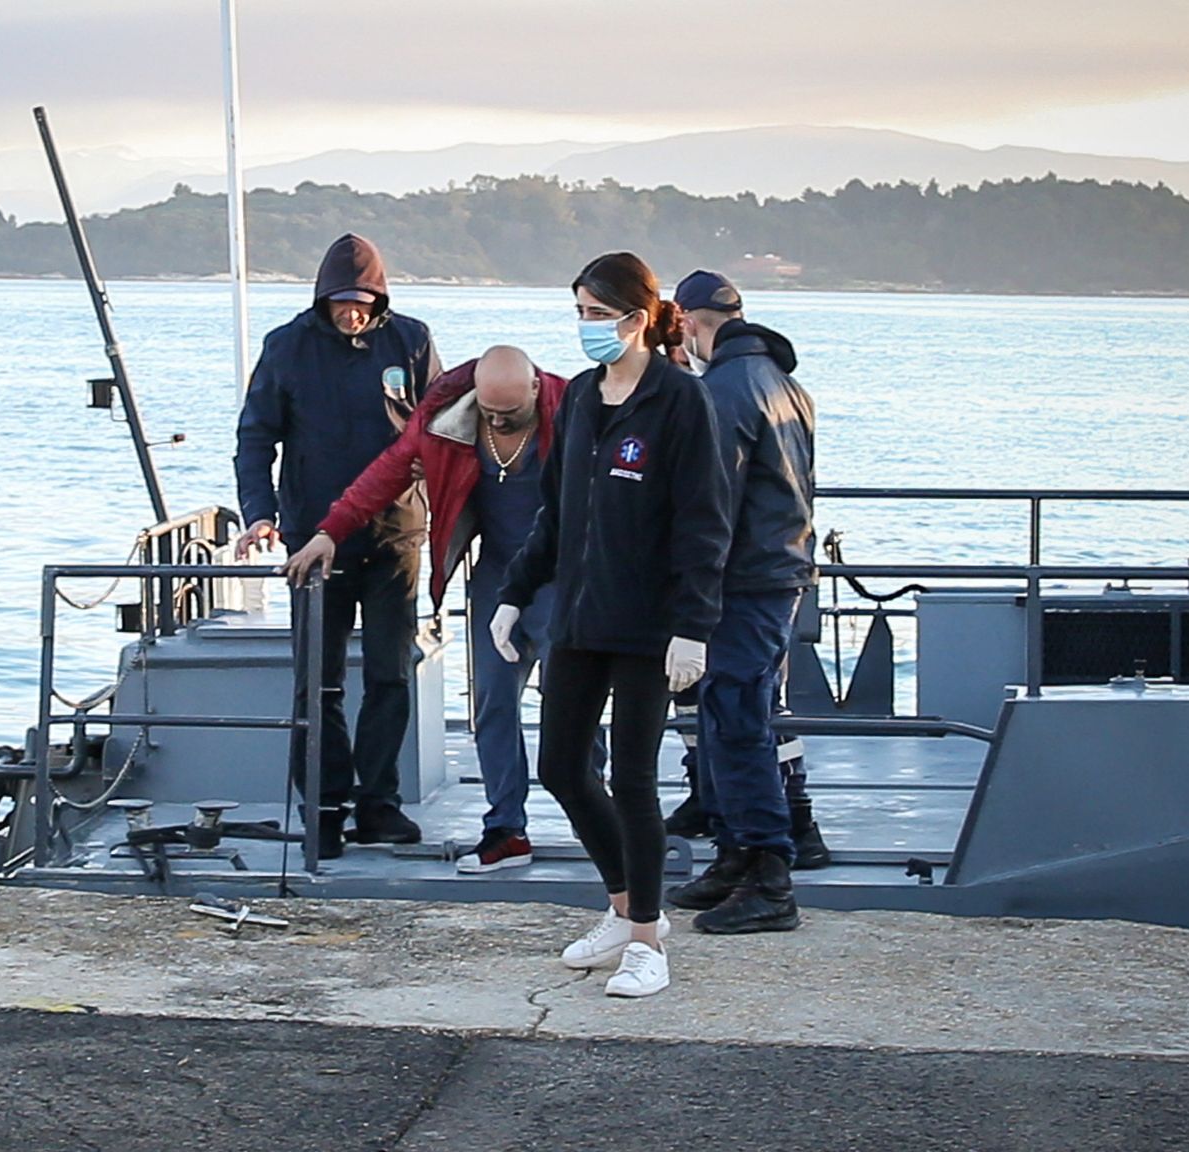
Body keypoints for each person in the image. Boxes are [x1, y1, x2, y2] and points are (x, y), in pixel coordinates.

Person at [490, 252, 731, 998]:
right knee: (561, 766)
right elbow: (557, 512)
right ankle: (626, 910)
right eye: (580, 314)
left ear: (637, 317)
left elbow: (704, 522)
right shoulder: (586, 400)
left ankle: (647, 944)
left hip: (649, 626)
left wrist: (692, 626)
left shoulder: (681, 402)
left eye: (598, 314)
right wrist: (515, 591)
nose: (587, 328)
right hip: (581, 617)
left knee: (632, 778)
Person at [285, 345, 584, 873]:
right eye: (489, 411)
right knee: (492, 705)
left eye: (509, 413)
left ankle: (595, 819)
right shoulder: (448, 421)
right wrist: (330, 531)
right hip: (496, 579)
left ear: (537, 388)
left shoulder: (575, 410)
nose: (497, 420)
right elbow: (386, 473)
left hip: (566, 580)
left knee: (573, 707)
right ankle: (506, 830)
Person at [234, 233, 442, 857]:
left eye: (363, 301)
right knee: (317, 684)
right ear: (322, 299)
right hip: (312, 539)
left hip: (396, 536)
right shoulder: (287, 346)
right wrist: (260, 513)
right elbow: (255, 436)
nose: (352, 312)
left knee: (390, 676)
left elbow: (438, 430)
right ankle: (324, 809)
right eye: (341, 302)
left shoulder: (411, 339)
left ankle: (379, 805)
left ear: (380, 298)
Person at [664, 270, 822, 932]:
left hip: (742, 581)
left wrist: (687, 596)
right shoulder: (786, 387)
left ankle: (768, 874)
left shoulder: (722, 391)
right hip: (780, 571)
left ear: (690, 323)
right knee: (738, 716)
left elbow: (710, 504)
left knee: (735, 719)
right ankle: (735, 854)